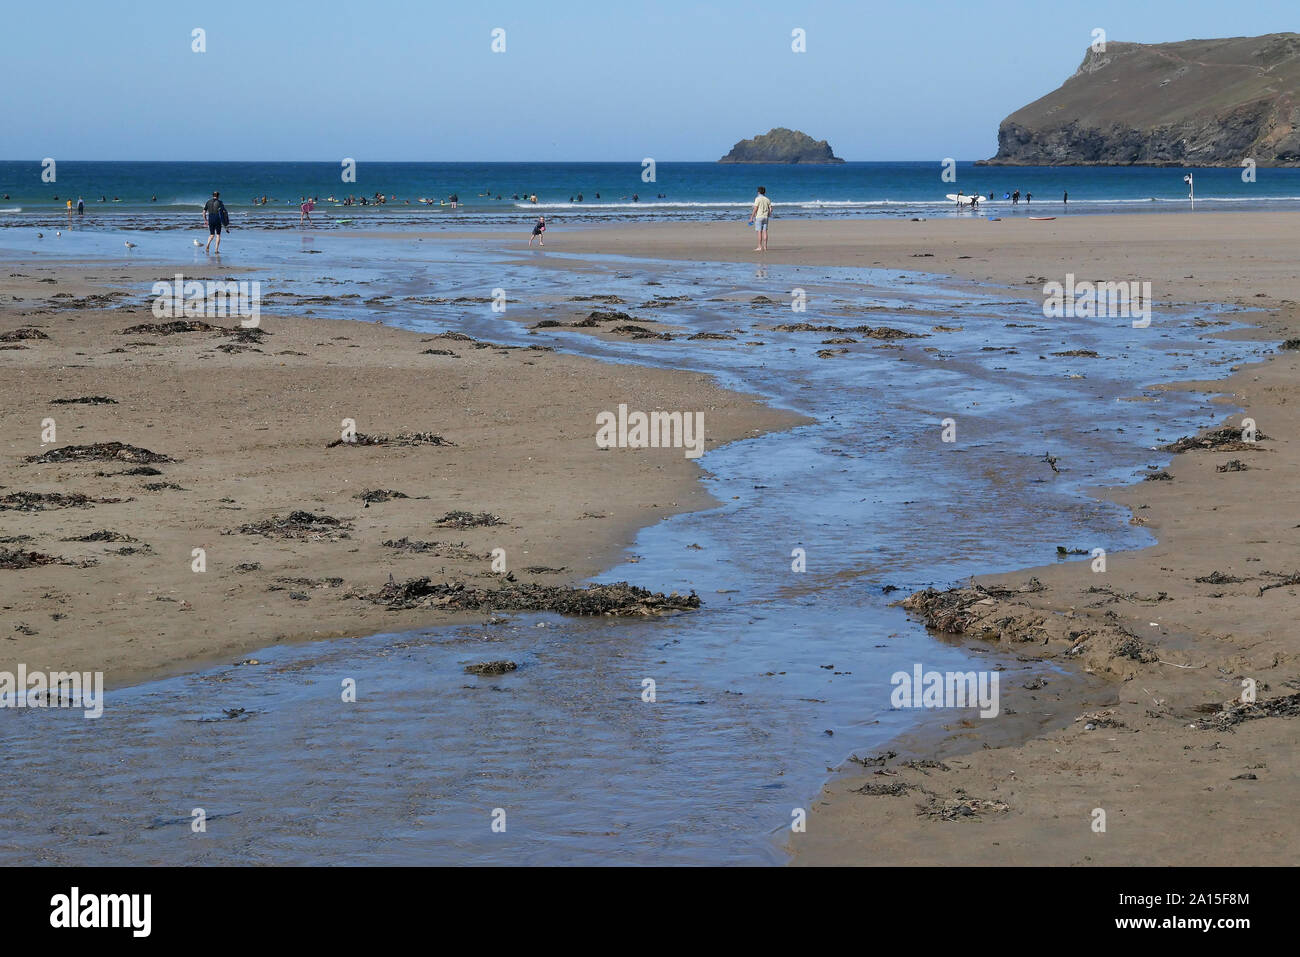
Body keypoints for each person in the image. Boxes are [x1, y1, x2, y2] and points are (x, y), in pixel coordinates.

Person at [750, 186, 772, 252]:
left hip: (759, 217)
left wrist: (751, 217)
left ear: (758, 192)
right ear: (764, 192)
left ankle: (759, 246)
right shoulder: (767, 199)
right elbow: (771, 208)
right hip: (765, 217)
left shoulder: (757, 199)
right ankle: (765, 247)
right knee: (765, 231)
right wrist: (768, 214)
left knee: (759, 232)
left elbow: (755, 208)